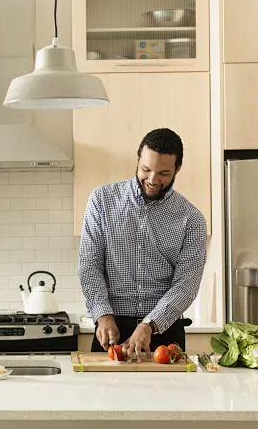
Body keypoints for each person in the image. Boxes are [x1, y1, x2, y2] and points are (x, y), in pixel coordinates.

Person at [78, 128, 207, 363]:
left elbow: (186, 284)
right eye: (146, 169)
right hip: (111, 330)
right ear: (138, 159)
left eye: (164, 173)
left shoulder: (192, 219)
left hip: (163, 334)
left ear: (178, 168)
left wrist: (149, 324)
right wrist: (103, 315)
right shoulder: (102, 200)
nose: (153, 179)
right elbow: (90, 264)